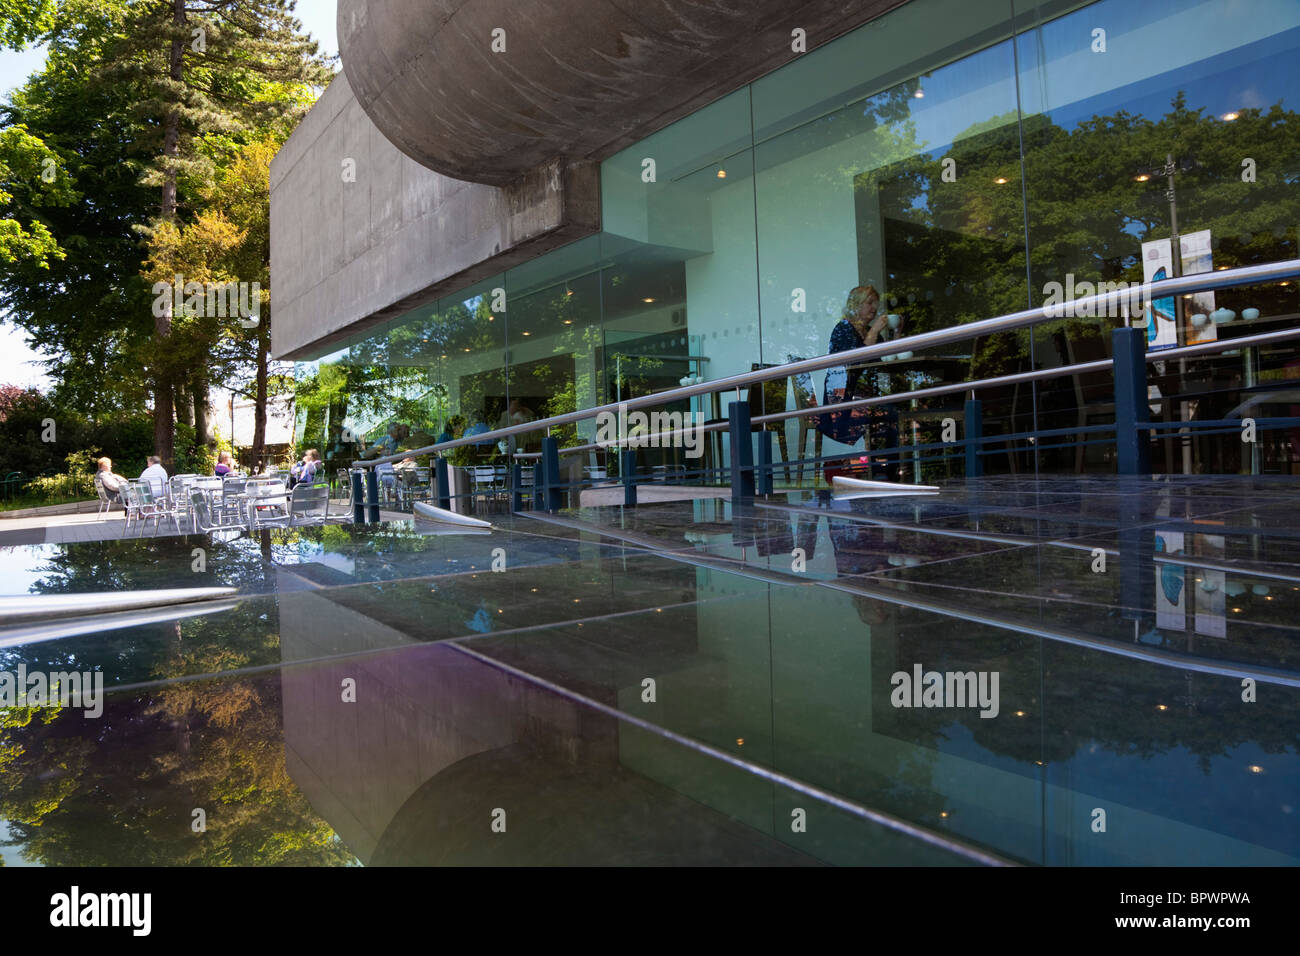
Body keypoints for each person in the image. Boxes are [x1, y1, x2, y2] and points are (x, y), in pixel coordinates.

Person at [818, 285, 901, 483]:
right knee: (890, 413)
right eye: (869, 303)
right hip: (843, 399)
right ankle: (878, 474)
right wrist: (874, 331)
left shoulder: (870, 332)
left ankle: (889, 474)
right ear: (855, 305)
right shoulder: (844, 328)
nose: (874, 308)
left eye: (876, 304)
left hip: (866, 396)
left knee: (893, 412)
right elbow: (854, 362)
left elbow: (886, 362)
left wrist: (897, 332)